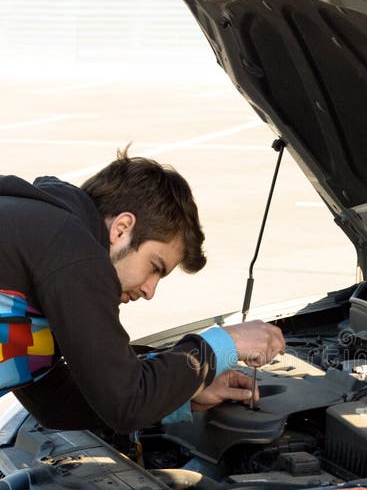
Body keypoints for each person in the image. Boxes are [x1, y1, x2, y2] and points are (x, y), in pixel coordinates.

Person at [0, 147, 285, 434]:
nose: (150, 291)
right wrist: (223, 344)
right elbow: (127, 402)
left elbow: (57, 404)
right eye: (154, 267)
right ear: (122, 228)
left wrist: (180, 396)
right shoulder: (70, 247)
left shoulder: (35, 240)